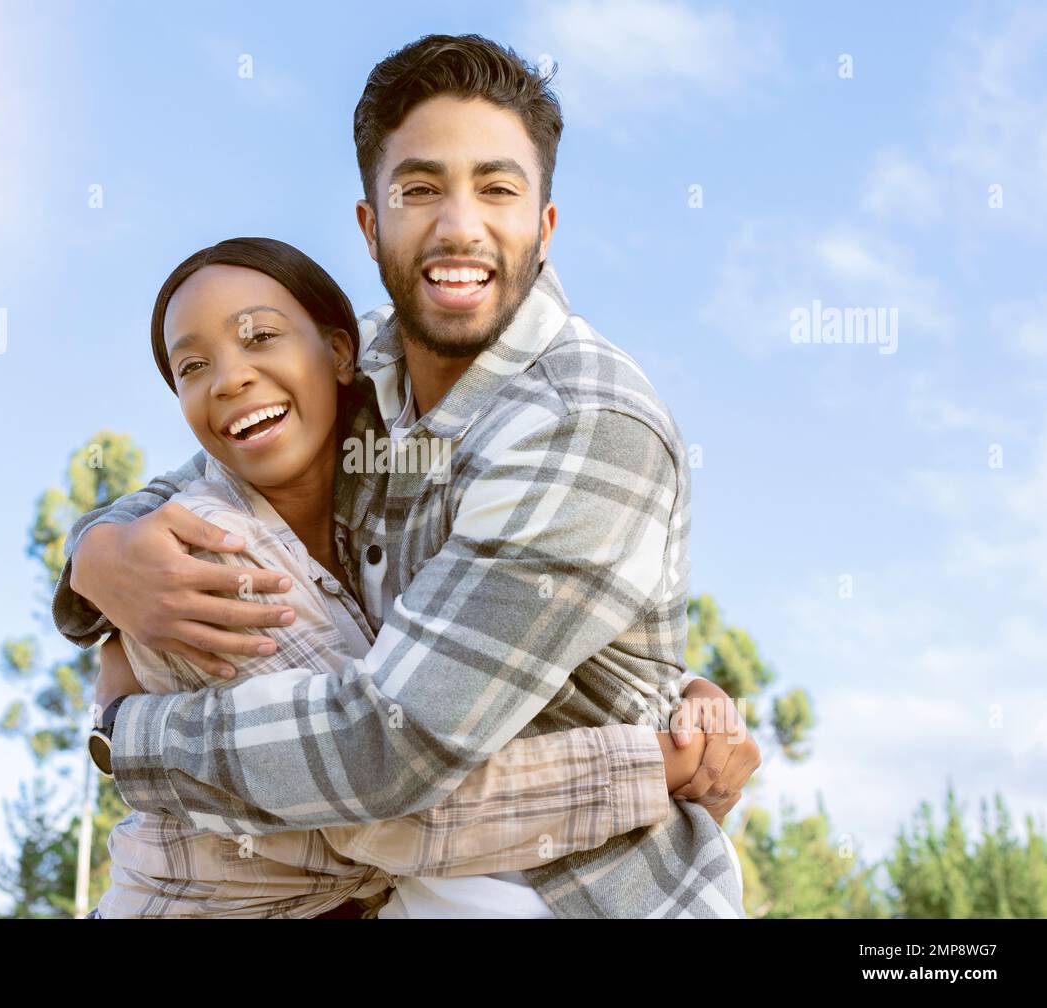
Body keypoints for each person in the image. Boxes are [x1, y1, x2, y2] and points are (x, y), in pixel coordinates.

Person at [63, 35, 759, 918]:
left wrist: (129, 741)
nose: (459, 225)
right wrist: (98, 553)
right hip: (388, 889)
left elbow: (390, 751)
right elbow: (219, 465)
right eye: (421, 189)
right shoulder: (367, 371)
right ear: (371, 225)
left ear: (544, 227)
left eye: (497, 189)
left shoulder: (584, 424)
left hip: (565, 892)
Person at [91, 237, 712, 918]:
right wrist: (658, 764)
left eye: (261, 337)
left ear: (338, 352)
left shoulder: (392, 486)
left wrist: (673, 694)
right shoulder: (208, 559)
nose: (229, 379)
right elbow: (385, 810)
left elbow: (479, 646)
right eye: (192, 367)